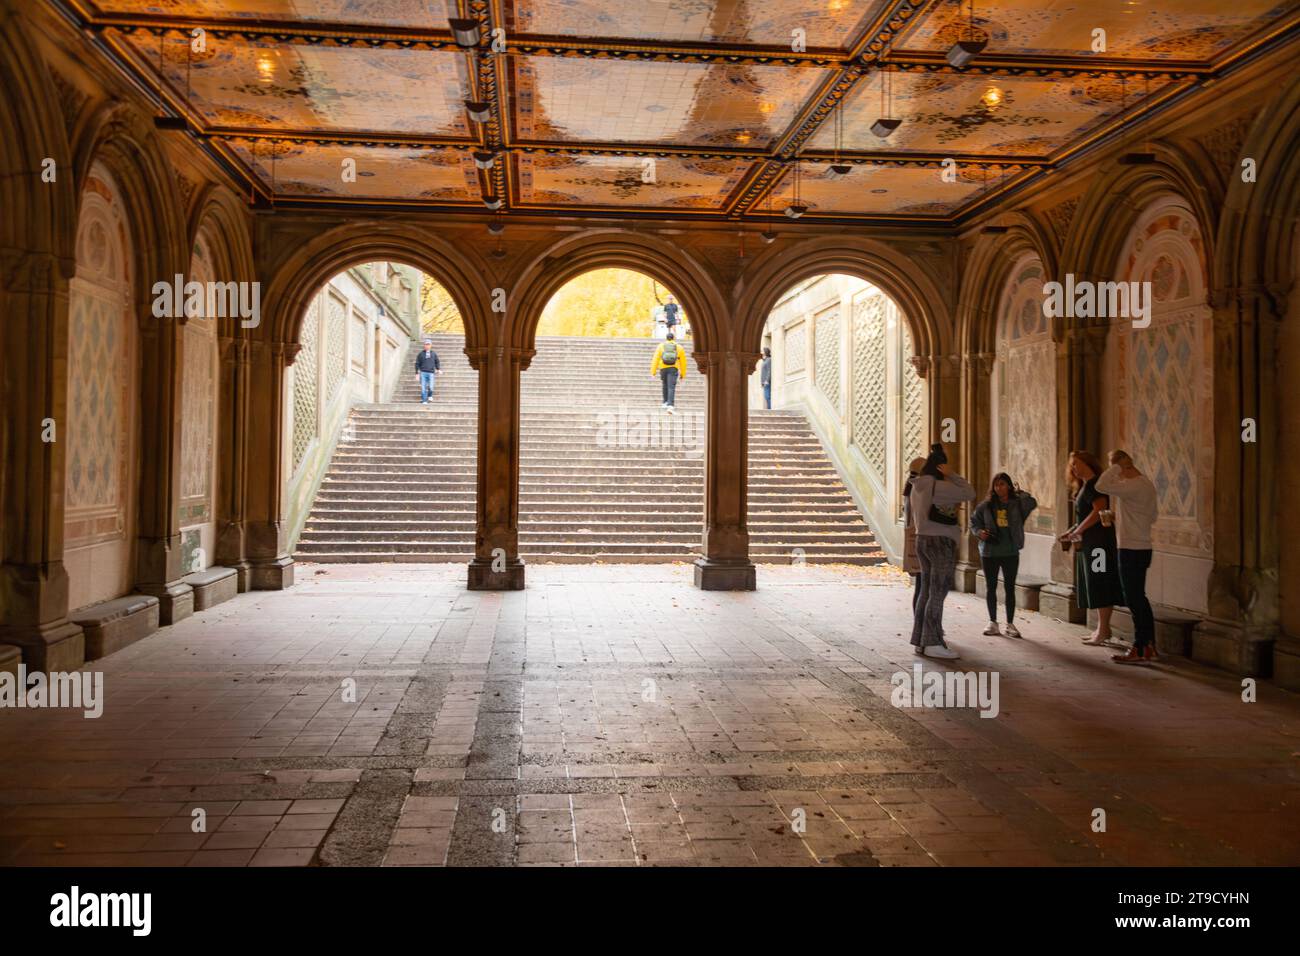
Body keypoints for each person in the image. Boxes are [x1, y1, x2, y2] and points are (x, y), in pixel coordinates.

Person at [907, 443, 975, 659]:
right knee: (938, 592)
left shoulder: (917, 486)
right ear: (940, 466)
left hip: (922, 540)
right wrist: (952, 474)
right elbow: (969, 492)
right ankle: (933, 642)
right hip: (941, 541)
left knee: (926, 590)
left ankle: (920, 640)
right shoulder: (940, 487)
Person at [1097, 449, 1159, 665]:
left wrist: (1117, 465)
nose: (1117, 475)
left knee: (1134, 599)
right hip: (1143, 546)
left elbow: (1101, 485)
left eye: (1118, 470)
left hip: (1131, 549)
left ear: (1123, 467)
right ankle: (1148, 645)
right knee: (1139, 597)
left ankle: (1140, 648)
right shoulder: (1147, 485)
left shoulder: (1131, 486)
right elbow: (1152, 516)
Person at [1061, 450, 1124, 646]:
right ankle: (1101, 628)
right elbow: (1084, 515)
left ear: (1087, 463)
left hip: (1099, 543)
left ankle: (1104, 629)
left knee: (1100, 581)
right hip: (1090, 542)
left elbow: (1099, 511)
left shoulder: (1097, 484)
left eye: (1076, 464)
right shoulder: (1084, 486)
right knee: (1094, 581)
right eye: (1071, 465)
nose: (1073, 468)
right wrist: (1071, 530)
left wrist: (1077, 531)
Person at [970, 472, 1038, 639]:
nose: (999, 487)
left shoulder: (1017, 504)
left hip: (1010, 551)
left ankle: (1010, 624)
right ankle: (992, 622)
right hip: (990, 552)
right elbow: (974, 522)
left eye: (1002, 484)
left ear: (1008, 486)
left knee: (1010, 587)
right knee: (991, 587)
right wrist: (979, 532)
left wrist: (1020, 492)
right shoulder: (986, 506)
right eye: (996, 485)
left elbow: (1032, 503)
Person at [902, 456, 927, 615]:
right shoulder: (921, 490)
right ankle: (923, 622)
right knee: (925, 587)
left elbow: (907, 521)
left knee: (920, 585)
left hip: (914, 540)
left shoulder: (909, 489)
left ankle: (919, 621)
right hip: (925, 539)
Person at [651, 331, 686, 414]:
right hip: (673, 368)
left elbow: (655, 359)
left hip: (663, 368)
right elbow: (683, 362)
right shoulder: (679, 347)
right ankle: (670, 405)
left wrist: (653, 372)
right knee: (671, 387)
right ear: (673, 338)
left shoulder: (660, 346)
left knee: (664, 385)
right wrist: (683, 373)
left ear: (666, 338)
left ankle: (665, 402)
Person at [414, 339, 440, 404]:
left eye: (428, 344)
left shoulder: (433, 353)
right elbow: (417, 363)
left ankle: (430, 395)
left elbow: (437, 361)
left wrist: (438, 369)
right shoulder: (421, 354)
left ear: (431, 345)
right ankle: (424, 400)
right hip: (423, 373)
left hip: (431, 373)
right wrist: (417, 373)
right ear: (424, 345)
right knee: (423, 387)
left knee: (431, 387)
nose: (427, 346)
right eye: (426, 344)